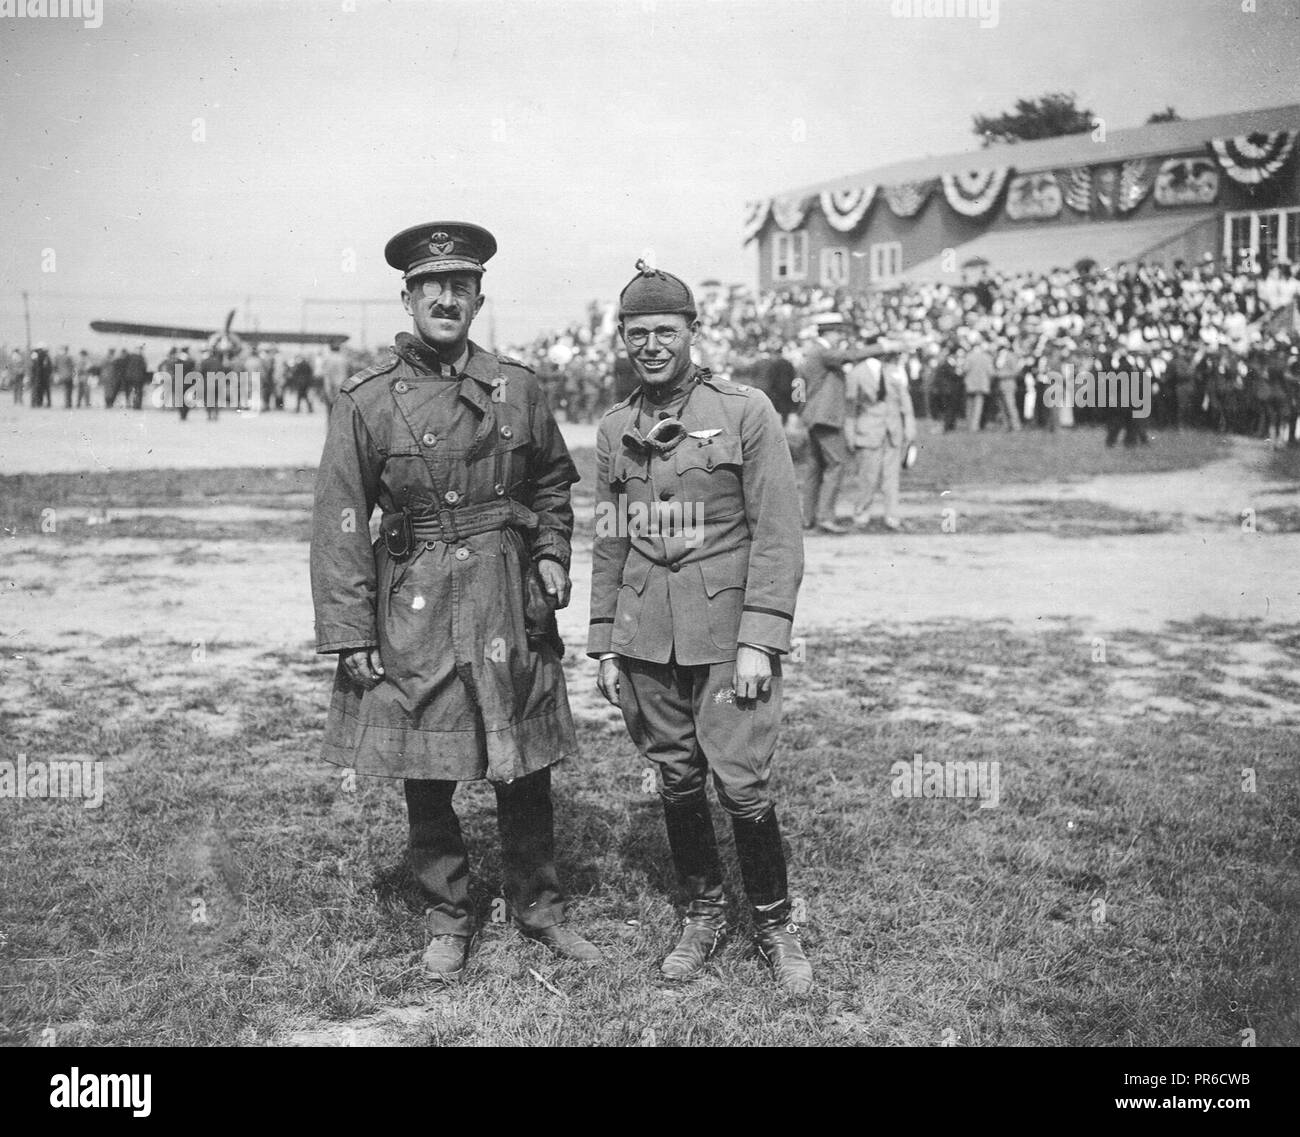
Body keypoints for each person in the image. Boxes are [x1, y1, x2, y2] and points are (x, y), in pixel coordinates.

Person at [311, 221, 599, 982]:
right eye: (430, 286)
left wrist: (550, 556)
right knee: (427, 759)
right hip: (418, 594)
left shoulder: (521, 385)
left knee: (524, 754)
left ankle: (538, 906)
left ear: (479, 296)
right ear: (407, 297)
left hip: (506, 587)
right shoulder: (367, 401)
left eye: (460, 285)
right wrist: (348, 625)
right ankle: (448, 914)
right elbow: (340, 519)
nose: (446, 297)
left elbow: (551, 486)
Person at [588, 261, 811, 995]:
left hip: (725, 633)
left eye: (665, 330)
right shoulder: (616, 427)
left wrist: (761, 638)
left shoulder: (745, 411)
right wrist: (604, 642)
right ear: (621, 337)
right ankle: (704, 911)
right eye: (637, 332)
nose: (651, 345)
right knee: (677, 776)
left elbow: (777, 532)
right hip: (647, 634)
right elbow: (612, 540)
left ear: (692, 332)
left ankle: (775, 922)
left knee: (741, 782)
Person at [797, 313, 870, 534]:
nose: (841, 337)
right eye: (839, 332)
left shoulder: (813, 350)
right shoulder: (823, 351)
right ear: (829, 332)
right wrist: (884, 346)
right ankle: (825, 518)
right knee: (836, 464)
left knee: (815, 468)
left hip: (815, 416)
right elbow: (852, 355)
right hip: (826, 417)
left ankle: (808, 518)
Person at [846, 342, 915, 531]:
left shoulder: (894, 372)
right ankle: (861, 515)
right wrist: (850, 433)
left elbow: (905, 402)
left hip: (892, 431)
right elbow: (850, 407)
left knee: (891, 477)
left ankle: (891, 517)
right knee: (868, 477)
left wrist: (909, 427)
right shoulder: (857, 374)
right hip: (868, 431)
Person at [960, 336, 993, 431]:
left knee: (969, 406)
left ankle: (969, 425)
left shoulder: (969, 356)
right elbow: (991, 372)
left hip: (970, 384)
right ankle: (975, 426)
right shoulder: (987, 357)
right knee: (978, 407)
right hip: (982, 385)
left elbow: (965, 369)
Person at [320, 344, 347, 415]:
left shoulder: (327, 359)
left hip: (330, 384)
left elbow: (325, 373)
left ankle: (331, 424)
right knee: (340, 407)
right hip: (341, 384)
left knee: (330, 407)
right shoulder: (343, 359)